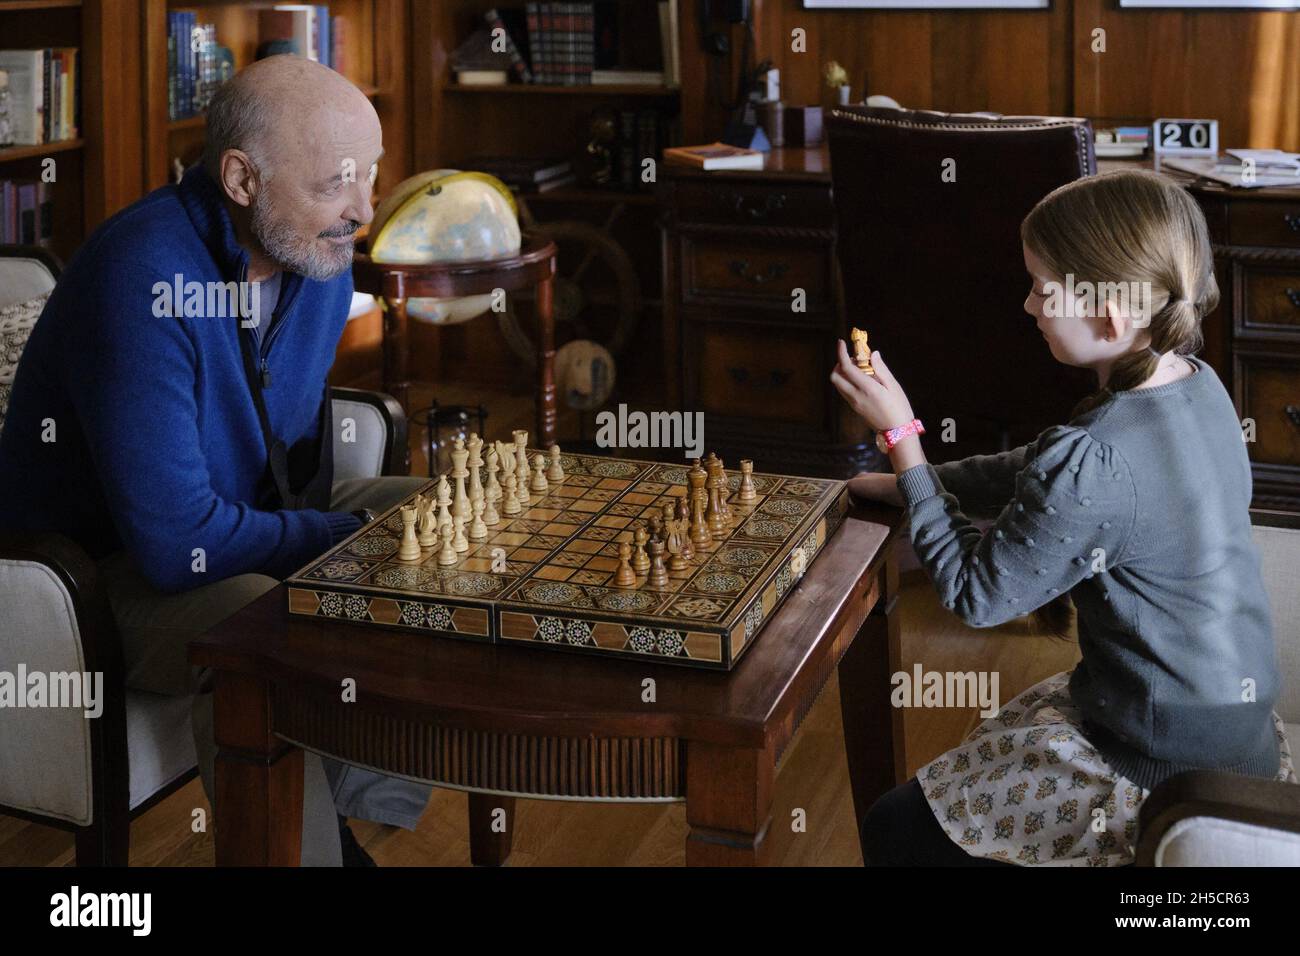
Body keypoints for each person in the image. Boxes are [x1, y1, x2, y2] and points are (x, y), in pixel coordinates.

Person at [0, 55, 432, 866]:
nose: (363, 212)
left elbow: (288, 462)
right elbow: (173, 543)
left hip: (239, 509)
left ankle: (354, 813)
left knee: (441, 520)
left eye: (370, 178)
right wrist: (345, 538)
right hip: (83, 578)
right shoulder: (142, 278)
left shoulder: (316, 259)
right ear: (240, 178)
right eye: (336, 185)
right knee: (262, 627)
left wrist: (369, 530)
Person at [832, 169, 1296, 866]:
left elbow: (976, 595)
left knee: (893, 828)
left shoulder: (1094, 459)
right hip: (1234, 730)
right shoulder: (1198, 385)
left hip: (1162, 766)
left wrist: (904, 443)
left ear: (1110, 317)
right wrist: (907, 482)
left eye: (1041, 290)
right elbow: (1037, 467)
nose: (1027, 306)